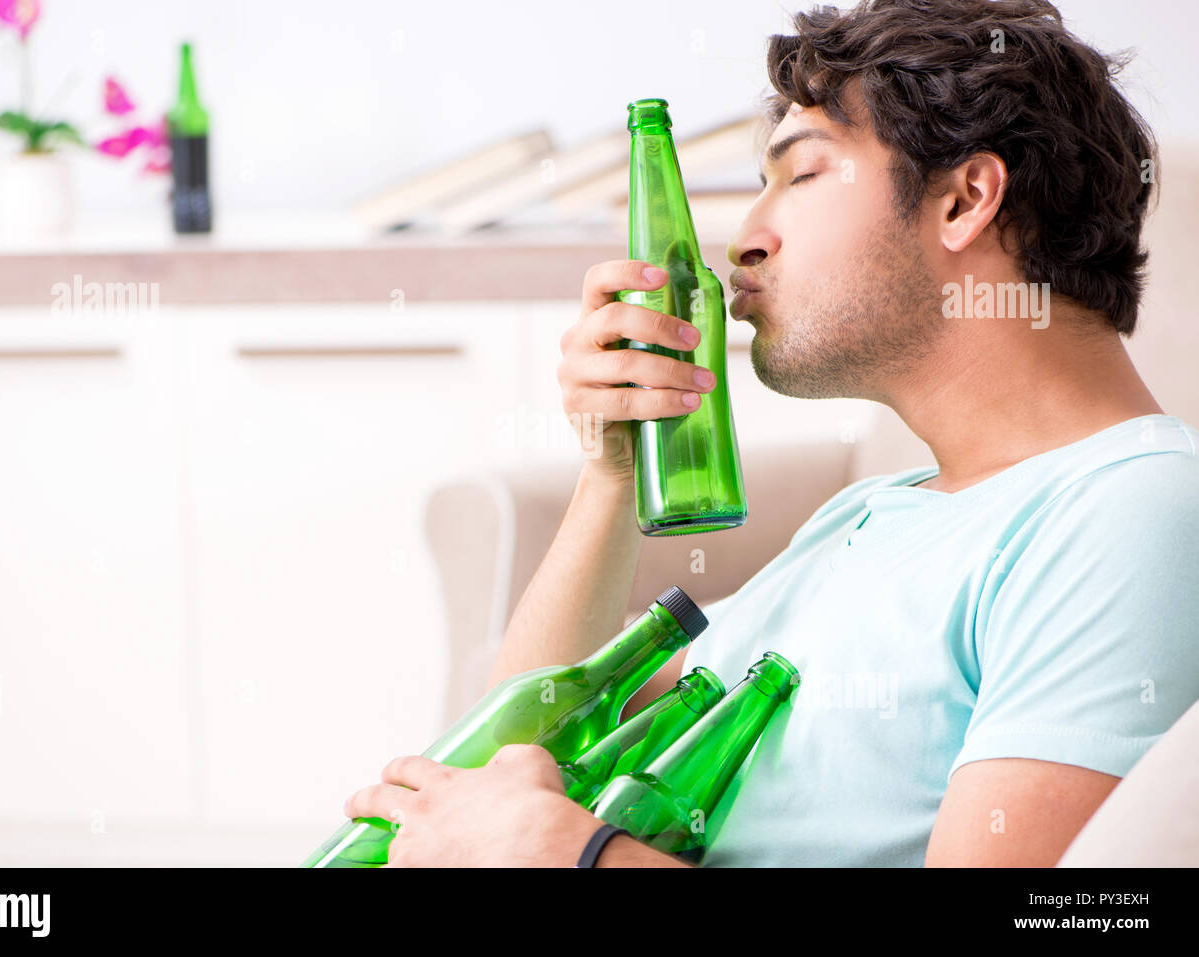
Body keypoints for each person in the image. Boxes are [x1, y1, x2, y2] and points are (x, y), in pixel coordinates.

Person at [343, 0, 1199, 867]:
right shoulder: (872, 513)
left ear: (966, 199)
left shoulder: (1134, 509)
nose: (744, 240)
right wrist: (612, 473)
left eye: (803, 175)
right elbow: (521, 745)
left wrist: (577, 854)